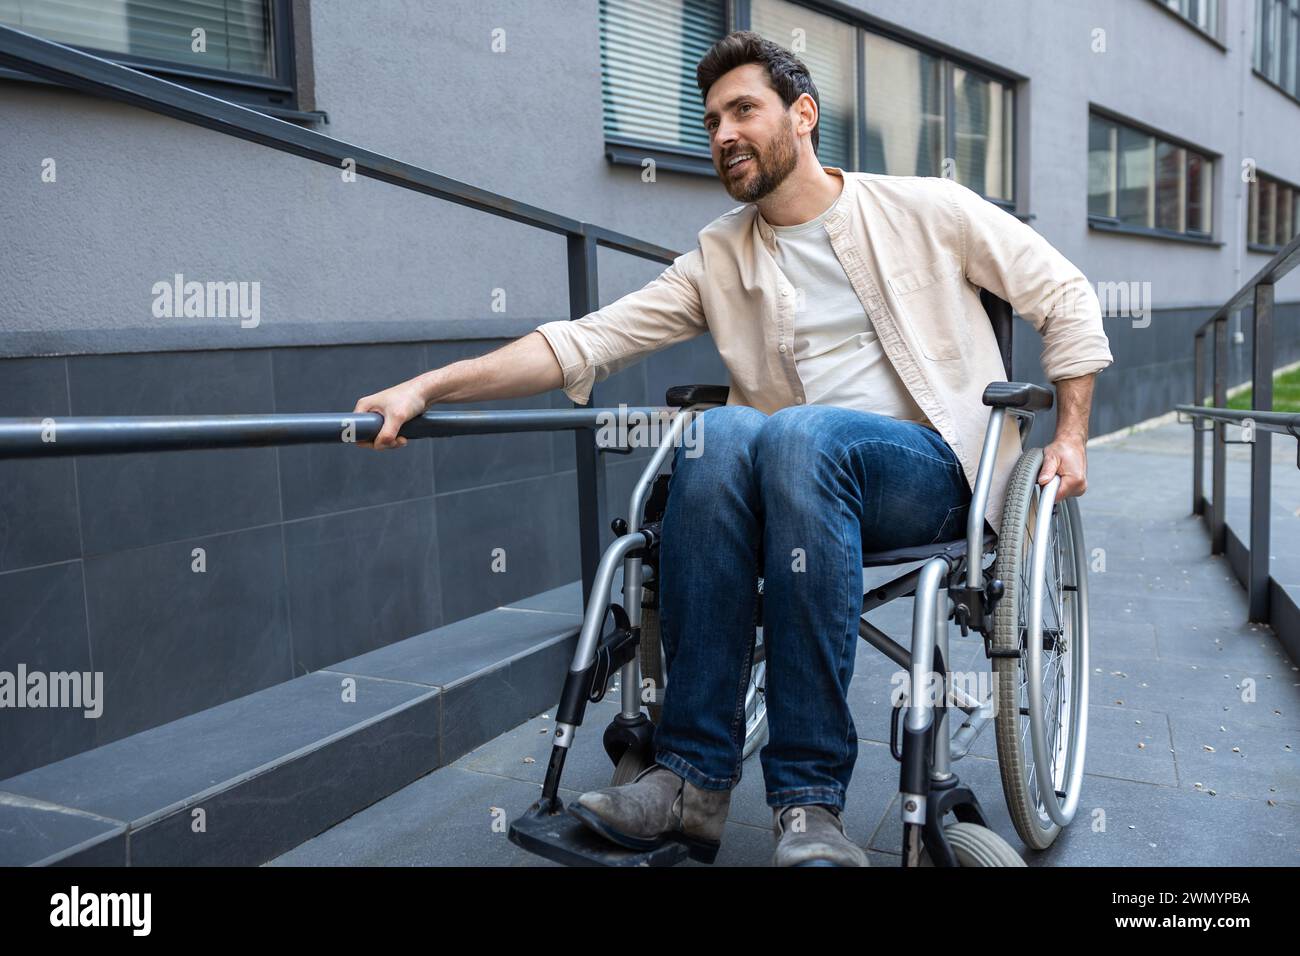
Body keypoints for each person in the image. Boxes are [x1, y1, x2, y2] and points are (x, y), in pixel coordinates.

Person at [353, 31, 1113, 867]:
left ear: (803, 115)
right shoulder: (719, 256)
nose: (722, 133)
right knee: (717, 430)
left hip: (928, 471)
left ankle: (810, 804)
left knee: (794, 430)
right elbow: (584, 342)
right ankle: (691, 780)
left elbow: (1065, 295)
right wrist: (429, 386)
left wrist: (1070, 433)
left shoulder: (926, 207)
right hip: (790, 483)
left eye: (743, 109)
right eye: (711, 119)